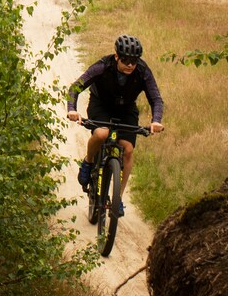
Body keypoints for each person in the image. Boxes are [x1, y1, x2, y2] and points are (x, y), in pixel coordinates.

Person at [65, 35, 164, 224]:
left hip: (126, 108)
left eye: (134, 61)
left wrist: (156, 120)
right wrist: (72, 110)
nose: (130, 65)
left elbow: (156, 98)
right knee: (102, 133)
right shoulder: (103, 66)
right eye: (126, 60)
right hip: (100, 105)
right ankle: (88, 162)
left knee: (127, 149)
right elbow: (76, 87)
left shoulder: (142, 71)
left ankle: (118, 198)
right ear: (117, 56)